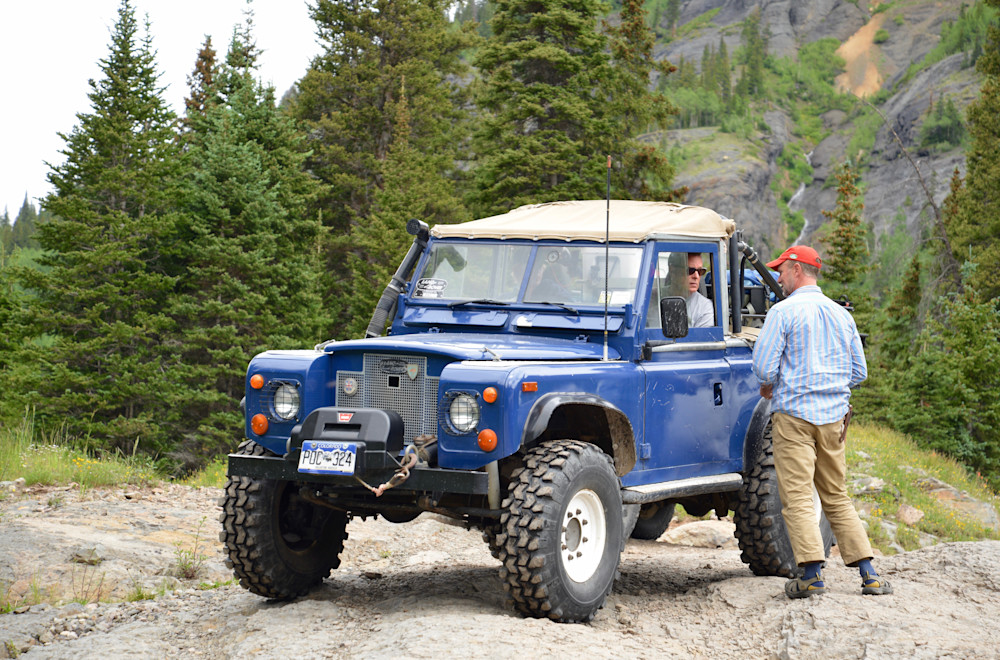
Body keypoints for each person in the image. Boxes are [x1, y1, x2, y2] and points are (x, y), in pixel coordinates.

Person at [751, 245, 892, 599]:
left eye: (781, 270)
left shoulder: (782, 312)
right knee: (836, 495)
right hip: (833, 420)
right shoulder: (841, 315)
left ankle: (811, 575)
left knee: (797, 496)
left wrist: (773, 382)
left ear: (797, 269)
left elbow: (764, 368)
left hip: (794, 417)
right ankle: (869, 574)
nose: (778, 278)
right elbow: (858, 372)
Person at [686, 253, 714, 328]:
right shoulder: (654, 298)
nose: (696, 276)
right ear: (673, 271)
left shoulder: (705, 307)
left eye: (700, 271)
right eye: (690, 270)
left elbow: (699, 338)